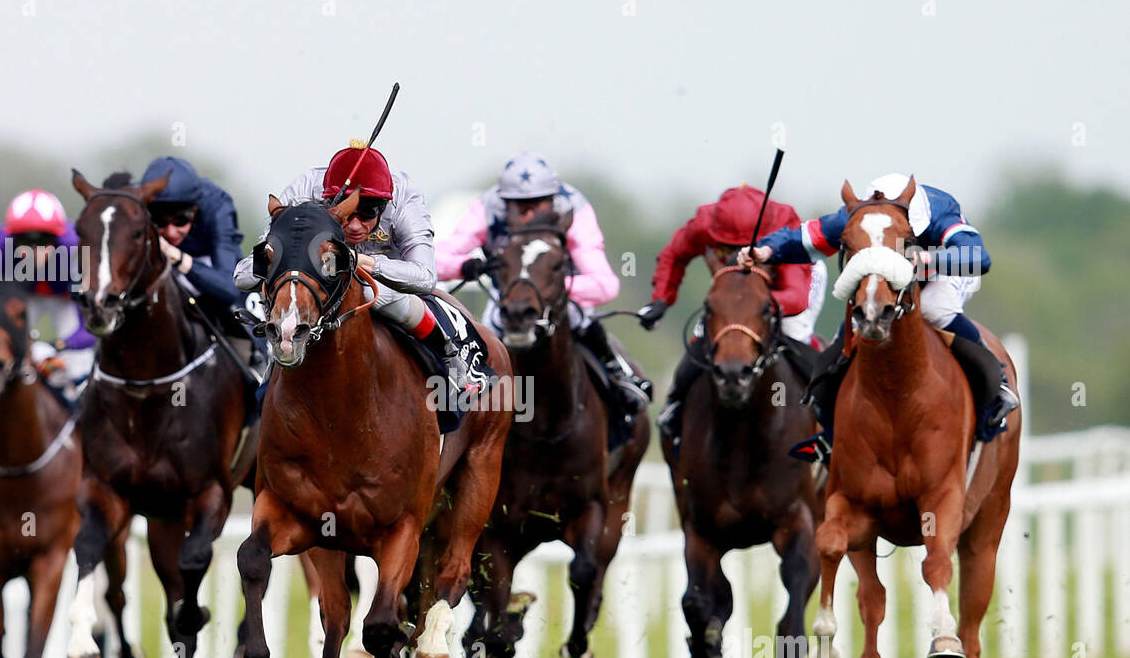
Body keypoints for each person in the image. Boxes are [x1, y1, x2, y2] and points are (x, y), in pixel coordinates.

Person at [738, 173, 1020, 463]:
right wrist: (765, 250)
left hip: (941, 273)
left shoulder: (937, 212)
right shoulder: (858, 216)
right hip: (883, 285)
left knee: (935, 308)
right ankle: (832, 433)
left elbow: (978, 258)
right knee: (840, 344)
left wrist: (929, 259)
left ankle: (996, 383)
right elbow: (801, 237)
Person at [236, 142, 491, 395]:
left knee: (368, 291)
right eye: (348, 215)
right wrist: (279, 259)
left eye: (367, 214)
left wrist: (363, 262)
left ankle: (450, 354)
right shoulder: (304, 192)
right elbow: (242, 275)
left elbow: (425, 278)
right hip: (323, 274)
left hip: (388, 280)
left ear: (384, 206)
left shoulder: (404, 197)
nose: (356, 226)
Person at [435, 151, 652, 416]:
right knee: (484, 331)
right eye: (517, 205)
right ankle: (460, 401)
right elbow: (433, 260)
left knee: (581, 318)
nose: (526, 214)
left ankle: (620, 376)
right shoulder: (487, 206)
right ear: (504, 202)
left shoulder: (574, 207)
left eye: (535, 204)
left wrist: (553, 288)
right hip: (507, 294)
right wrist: (464, 266)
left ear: (552, 200)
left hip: (558, 297)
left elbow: (605, 285)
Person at [639, 184, 828, 441]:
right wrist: (661, 300)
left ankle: (827, 415)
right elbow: (674, 255)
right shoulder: (704, 223)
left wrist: (752, 307)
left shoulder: (784, 225)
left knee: (793, 334)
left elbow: (795, 297)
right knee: (703, 341)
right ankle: (675, 406)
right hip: (733, 295)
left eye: (740, 249)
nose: (734, 257)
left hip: (794, 281)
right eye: (725, 250)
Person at [0, 188, 92, 457]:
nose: (34, 251)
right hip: (21, 299)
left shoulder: (80, 250)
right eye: (24, 242)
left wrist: (60, 346)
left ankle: (94, 431)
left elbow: (91, 325)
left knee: (80, 362)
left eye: (43, 242)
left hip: (67, 301)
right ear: (10, 239)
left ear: (59, 238)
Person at [137, 156, 264, 378]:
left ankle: (258, 378)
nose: (170, 231)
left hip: (210, 274)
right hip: (161, 272)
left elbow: (229, 288)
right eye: (158, 220)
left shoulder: (217, 204)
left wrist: (176, 256)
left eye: (181, 220)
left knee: (243, 329)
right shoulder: (134, 205)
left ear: (195, 209)